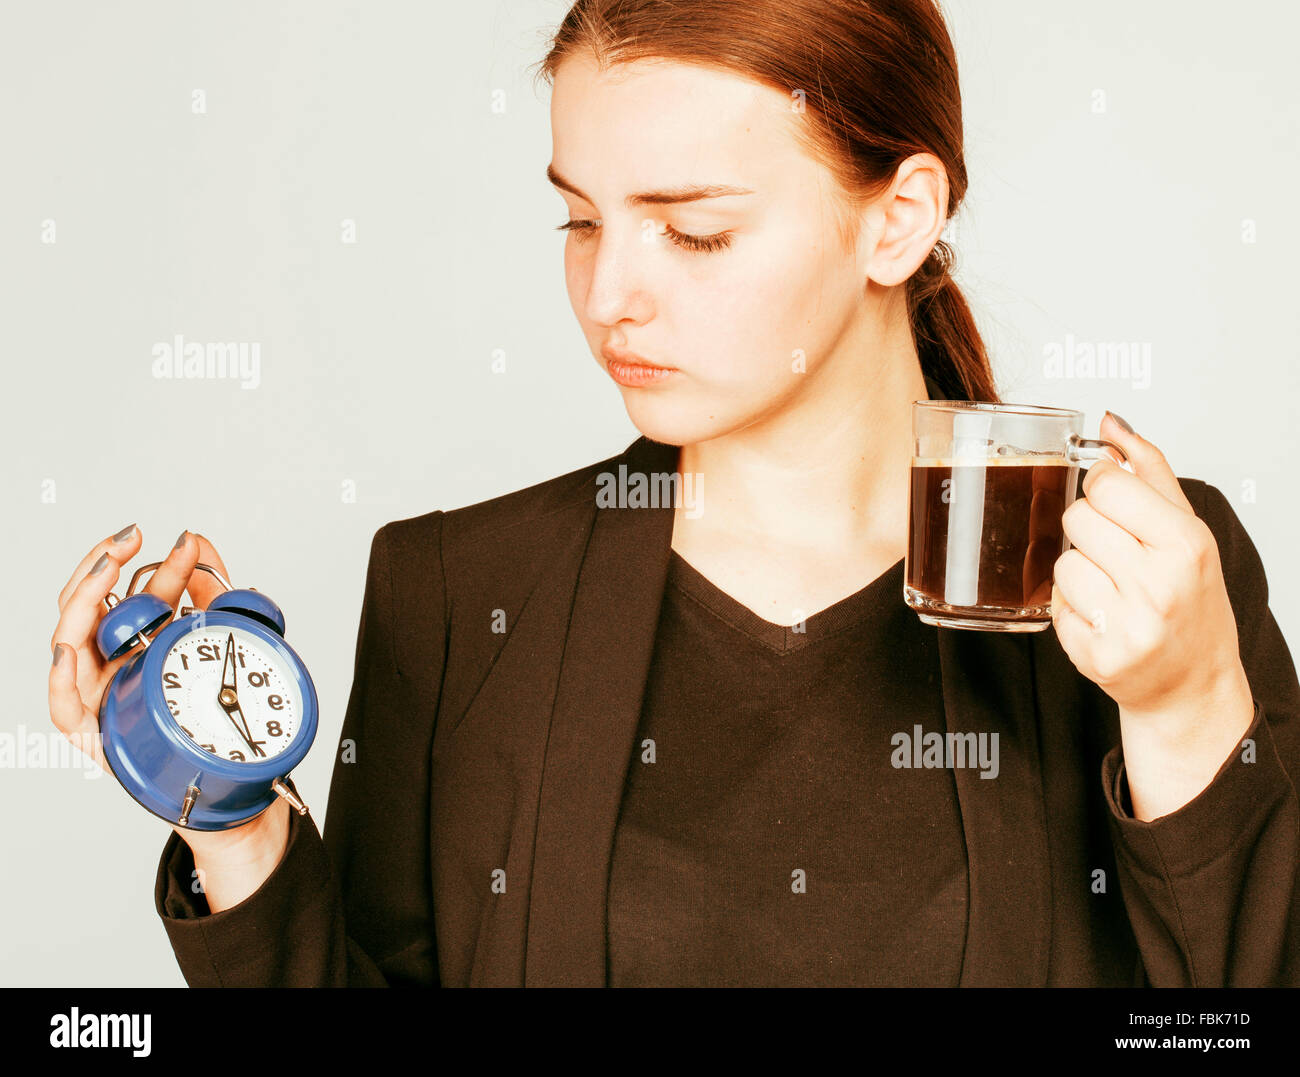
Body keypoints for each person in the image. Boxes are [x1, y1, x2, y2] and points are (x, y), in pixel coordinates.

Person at [47, 0, 1300, 987]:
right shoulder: (455, 592)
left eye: (691, 230)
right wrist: (227, 808)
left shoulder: (1143, 577)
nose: (608, 299)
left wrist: (1187, 714)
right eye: (582, 223)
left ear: (898, 219)